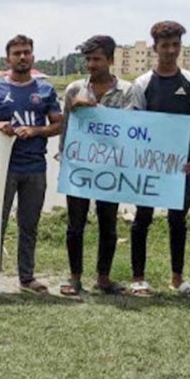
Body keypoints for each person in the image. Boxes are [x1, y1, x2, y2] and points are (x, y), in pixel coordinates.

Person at [0, 34, 62, 293]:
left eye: (26, 52)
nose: (22, 57)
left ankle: (27, 277)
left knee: (29, 224)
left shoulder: (45, 90)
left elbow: (58, 124)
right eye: (17, 53)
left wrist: (35, 131)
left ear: (33, 56)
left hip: (35, 168)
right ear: (7, 58)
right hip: (2, 168)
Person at [128, 21, 190, 297]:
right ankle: (138, 278)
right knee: (142, 218)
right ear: (155, 48)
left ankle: (177, 278)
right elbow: (136, 127)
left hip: (182, 165)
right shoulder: (142, 83)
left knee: (178, 220)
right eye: (165, 46)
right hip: (149, 165)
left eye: (175, 45)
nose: (171, 51)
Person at [59, 35, 132, 296]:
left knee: (108, 224)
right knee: (75, 224)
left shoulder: (127, 91)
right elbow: (66, 129)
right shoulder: (73, 90)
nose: (91, 64)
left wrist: (96, 109)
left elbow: (131, 129)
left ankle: (103, 278)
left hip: (111, 168)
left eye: (97, 59)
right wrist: (64, 160)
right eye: (88, 59)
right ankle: (74, 277)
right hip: (79, 166)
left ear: (110, 60)